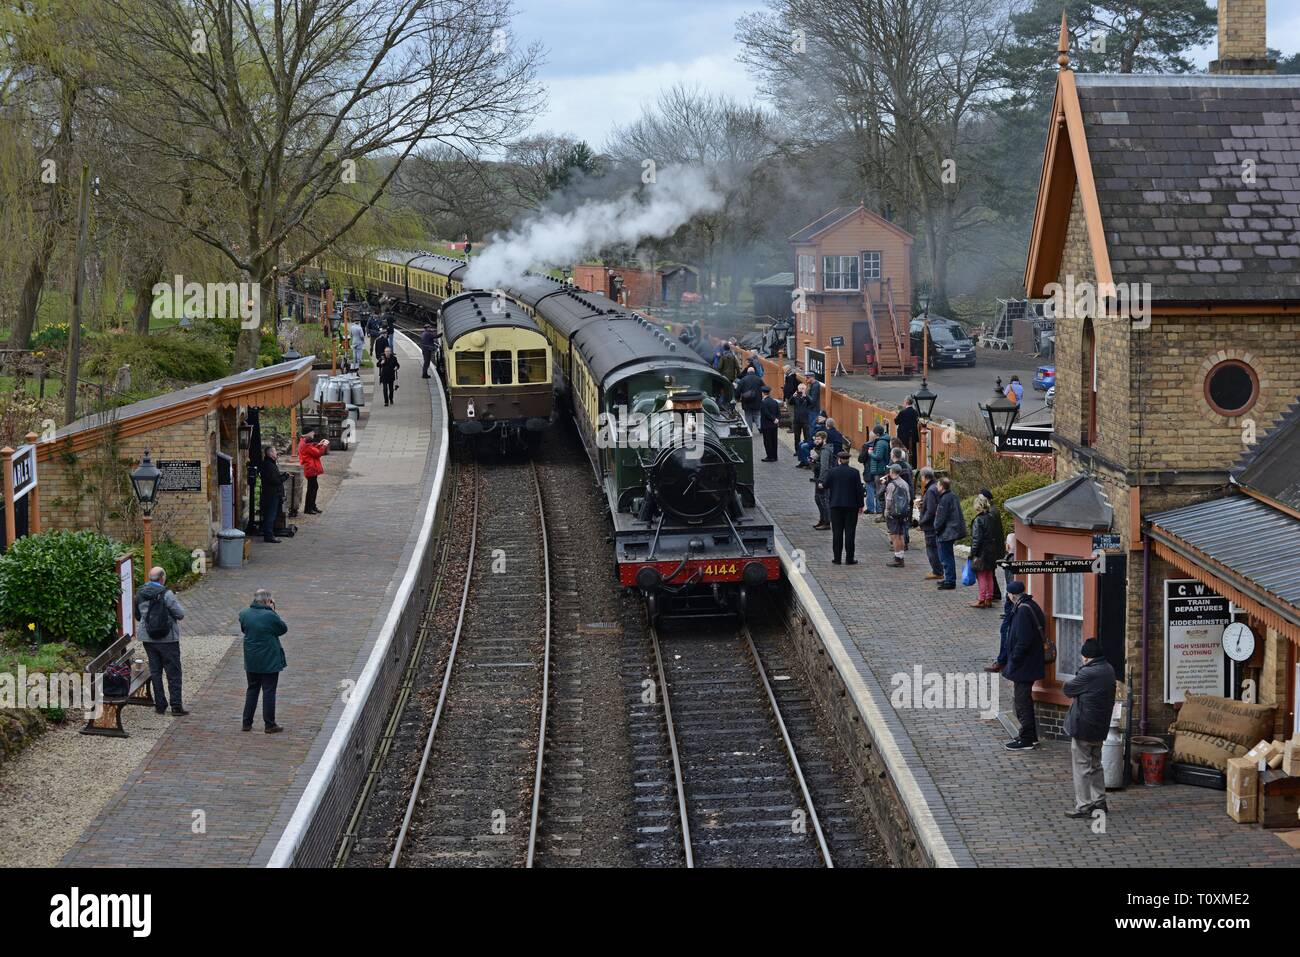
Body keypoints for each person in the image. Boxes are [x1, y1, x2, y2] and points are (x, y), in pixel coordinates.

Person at [1063, 638, 1116, 817]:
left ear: (1086, 657)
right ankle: (1100, 801)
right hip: (1100, 725)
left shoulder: (1088, 673)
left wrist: (1080, 672)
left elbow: (1068, 689)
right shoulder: (1109, 669)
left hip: (1084, 725)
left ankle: (1084, 805)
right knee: (1095, 764)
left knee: (1081, 767)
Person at [133, 566, 188, 716]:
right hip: (168, 639)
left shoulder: (140, 593)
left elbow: (138, 616)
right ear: (162, 578)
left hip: (148, 638)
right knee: (173, 672)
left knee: (155, 671)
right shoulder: (166, 594)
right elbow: (180, 614)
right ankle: (176, 706)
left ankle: (160, 705)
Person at [1003, 580, 1046, 750]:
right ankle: (1030, 736)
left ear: (1012, 595)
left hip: (1025, 665)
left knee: (1022, 702)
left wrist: (1013, 660)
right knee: (1023, 700)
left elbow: (1023, 641)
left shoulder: (1022, 612)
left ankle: (1027, 738)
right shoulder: (1030, 605)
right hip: (1030, 663)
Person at [238, 588, 288, 734]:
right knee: (269, 691)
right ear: (268, 601)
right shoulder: (269, 616)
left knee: (252, 689)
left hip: (251, 659)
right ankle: (269, 724)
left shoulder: (244, 614)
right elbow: (282, 629)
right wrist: (272, 611)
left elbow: (244, 629)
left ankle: (246, 722)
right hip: (269, 661)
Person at [823, 449, 864, 564]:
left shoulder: (832, 472)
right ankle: (849, 558)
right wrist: (861, 505)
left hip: (835, 505)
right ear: (848, 460)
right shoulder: (854, 472)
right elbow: (859, 490)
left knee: (837, 533)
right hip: (851, 506)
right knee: (850, 533)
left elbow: (825, 485)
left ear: (839, 460)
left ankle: (837, 558)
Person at [968, 494, 1003, 608]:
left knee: (981, 576)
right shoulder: (991, 517)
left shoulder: (978, 520)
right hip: (991, 551)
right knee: (989, 575)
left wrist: (972, 554)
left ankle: (981, 599)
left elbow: (976, 539)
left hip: (982, 552)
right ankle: (989, 598)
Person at [932, 475, 966, 589]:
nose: (936, 487)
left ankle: (950, 580)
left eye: (938, 485)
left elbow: (941, 518)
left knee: (946, 557)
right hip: (952, 530)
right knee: (948, 556)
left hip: (947, 532)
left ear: (941, 486)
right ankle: (948, 578)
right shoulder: (952, 496)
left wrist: (936, 528)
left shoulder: (944, 499)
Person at [916, 467, 943, 580]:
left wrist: (922, 521)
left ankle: (937, 571)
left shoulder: (931, 490)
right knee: (934, 547)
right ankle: (938, 569)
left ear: (924, 477)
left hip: (930, 525)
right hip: (934, 523)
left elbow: (931, 510)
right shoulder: (935, 486)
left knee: (931, 547)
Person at [882, 464, 911, 567]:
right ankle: (901, 556)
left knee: (894, 535)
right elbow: (908, 498)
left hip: (893, 513)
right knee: (902, 534)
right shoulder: (904, 483)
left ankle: (897, 558)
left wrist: (886, 511)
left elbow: (889, 500)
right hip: (903, 512)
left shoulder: (891, 485)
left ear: (892, 472)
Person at [858, 424, 890, 516]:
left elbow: (861, 459)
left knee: (871, 489)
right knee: (878, 490)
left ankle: (872, 508)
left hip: (871, 470)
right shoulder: (884, 442)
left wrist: (869, 453)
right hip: (878, 470)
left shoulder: (868, 445)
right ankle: (879, 508)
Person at [259, 445, 287, 543]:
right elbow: (275, 480)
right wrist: (285, 477)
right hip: (271, 494)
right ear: (270, 453)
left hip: (272, 493)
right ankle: (269, 536)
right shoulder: (268, 465)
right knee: (270, 515)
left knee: (271, 514)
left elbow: (275, 477)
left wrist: (283, 475)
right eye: (275, 452)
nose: (276, 454)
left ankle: (269, 534)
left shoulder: (270, 464)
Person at [297, 430, 328, 515]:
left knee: (313, 487)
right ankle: (308, 508)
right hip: (310, 468)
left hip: (310, 467)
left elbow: (312, 447)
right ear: (308, 433)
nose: (314, 434)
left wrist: (319, 444)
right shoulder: (305, 444)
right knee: (312, 488)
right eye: (312, 432)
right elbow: (318, 453)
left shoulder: (303, 441)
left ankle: (312, 506)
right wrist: (324, 445)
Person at [810, 431, 831, 530]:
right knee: (818, 499)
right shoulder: (820, 449)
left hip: (822, 479)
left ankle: (826, 521)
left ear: (824, 439)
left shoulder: (825, 450)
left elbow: (825, 467)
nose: (816, 441)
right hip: (818, 477)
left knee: (823, 499)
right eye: (816, 439)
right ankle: (822, 519)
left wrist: (821, 481)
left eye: (819, 439)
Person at [735, 364, 764, 433]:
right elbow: (764, 388)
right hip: (757, 401)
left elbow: (738, 390)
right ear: (754, 372)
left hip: (746, 401)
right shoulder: (758, 379)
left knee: (748, 416)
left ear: (747, 372)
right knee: (757, 414)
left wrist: (737, 398)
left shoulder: (743, 380)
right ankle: (760, 427)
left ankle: (749, 429)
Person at [758, 386, 781, 462]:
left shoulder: (763, 402)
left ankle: (770, 456)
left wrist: (773, 419)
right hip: (774, 425)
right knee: (774, 441)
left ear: (763, 393)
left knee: (767, 441)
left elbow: (766, 413)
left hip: (766, 425)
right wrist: (777, 419)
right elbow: (778, 412)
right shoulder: (774, 401)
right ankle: (775, 456)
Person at [895, 397, 920, 466]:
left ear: (906, 402)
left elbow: (896, 422)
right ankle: (914, 466)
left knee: (903, 451)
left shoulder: (902, 412)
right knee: (913, 452)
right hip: (913, 435)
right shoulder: (915, 412)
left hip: (903, 436)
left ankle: (903, 465)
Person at [790, 382, 812, 450]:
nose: (801, 390)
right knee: (796, 437)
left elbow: (811, 402)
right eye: (800, 388)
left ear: (805, 389)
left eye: (803, 388)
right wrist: (793, 396)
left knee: (807, 437)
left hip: (805, 421)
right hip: (797, 420)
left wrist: (806, 396)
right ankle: (797, 451)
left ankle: (806, 450)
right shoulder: (795, 396)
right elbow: (790, 403)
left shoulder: (807, 397)